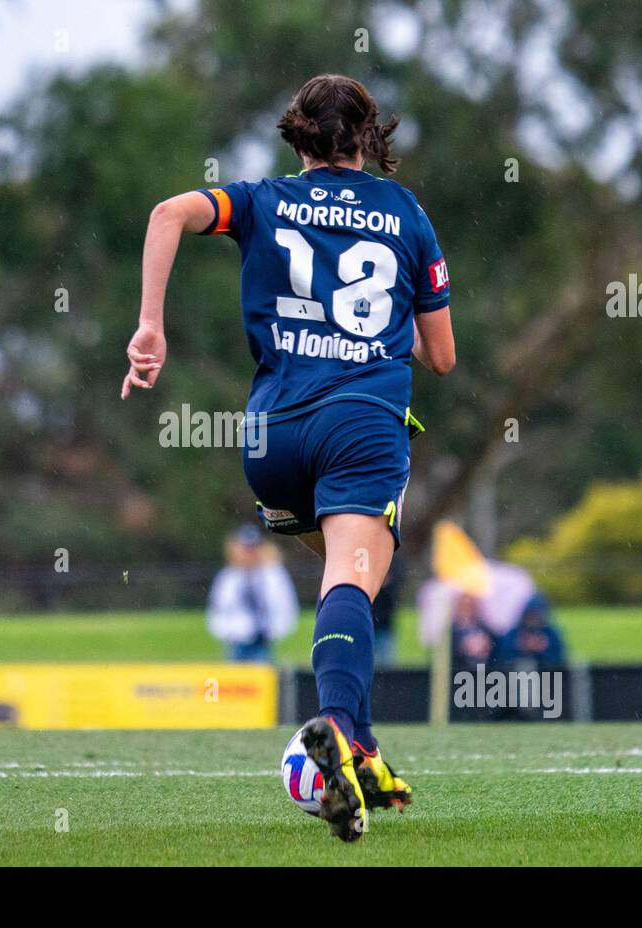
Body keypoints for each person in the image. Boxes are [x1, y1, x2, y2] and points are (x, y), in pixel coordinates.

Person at [120, 74, 455, 841]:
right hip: (361, 423)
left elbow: (168, 212)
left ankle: (362, 749)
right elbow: (441, 356)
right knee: (352, 577)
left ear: (296, 135)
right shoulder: (406, 213)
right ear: (371, 137)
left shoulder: (260, 200)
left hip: (271, 438)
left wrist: (150, 327)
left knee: (356, 581)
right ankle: (338, 728)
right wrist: (377, 326)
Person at [206, 525, 299, 662]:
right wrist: (230, 631)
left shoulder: (273, 576)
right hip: (236, 643)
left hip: (263, 642)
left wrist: (273, 631)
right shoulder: (228, 578)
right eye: (245, 548)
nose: (249, 553)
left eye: (253, 548)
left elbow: (286, 606)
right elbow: (217, 610)